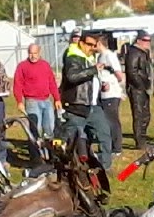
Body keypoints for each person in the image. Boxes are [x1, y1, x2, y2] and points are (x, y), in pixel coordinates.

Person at [59, 30, 114, 170]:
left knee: (105, 133)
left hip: (93, 105)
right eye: (89, 45)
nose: (92, 48)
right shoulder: (73, 57)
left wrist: (101, 84)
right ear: (81, 43)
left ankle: (104, 167)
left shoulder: (88, 57)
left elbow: (89, 82)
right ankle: (67, 168)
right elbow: (72, 77)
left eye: (94, 45)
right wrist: (93, 70)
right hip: (77, 106)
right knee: (72, 139)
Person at [12, 43, 61, 140]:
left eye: (35, 53)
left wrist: (57, 99)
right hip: (32, 102)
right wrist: (19, 101)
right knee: (35, 129)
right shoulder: (22, 66)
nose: (32, 56)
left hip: (46, 101)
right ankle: (35, 152)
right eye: (30, 53)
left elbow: (52, 83)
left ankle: (49, 151)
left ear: (39, 53)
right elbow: (18, 85)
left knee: (50, 128)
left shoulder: (45, 65)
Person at [124, 30, 154, 149]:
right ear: (139, 40)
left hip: (143, 88)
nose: (148, 43)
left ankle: (143, 137)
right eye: (145, 40)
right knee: (139, 115)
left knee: (146, 115)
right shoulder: (134, 52)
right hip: (136, 89)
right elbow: (132, 72)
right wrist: (140, 85)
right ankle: (139, 142)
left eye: (149, 40)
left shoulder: (144, 52)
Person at [96, 33, 126, 155]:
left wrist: (110, 83)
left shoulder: (109, 55)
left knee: (112, 120)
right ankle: (109, 145)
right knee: (105, 120)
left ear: (99, 43)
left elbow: (119, 75)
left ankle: (117, 148)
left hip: (111, 94)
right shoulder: (100, 56)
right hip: (103, 94)